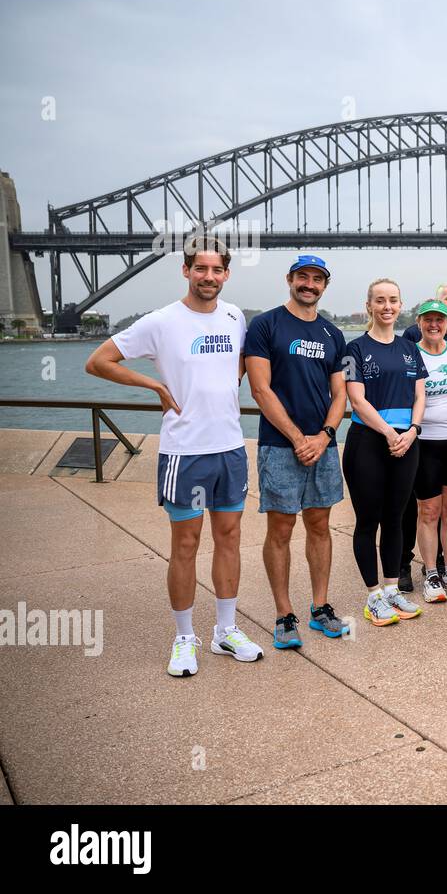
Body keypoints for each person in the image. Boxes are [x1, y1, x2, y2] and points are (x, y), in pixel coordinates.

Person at [85, 235, 260, 676]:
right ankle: (184, 638)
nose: (209, 277)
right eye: (200, 269)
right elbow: (99, 361)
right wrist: (156, 387)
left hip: (230, 448)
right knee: (185, 544)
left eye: (217, 269)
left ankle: (225, 631)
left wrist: (223, 387)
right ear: (185, 271)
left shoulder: (235, 316)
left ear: (226, 274)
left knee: (230, 538)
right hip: (186, 452)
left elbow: (240, 362)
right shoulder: (162, 321)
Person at [244, 254, 350, 648]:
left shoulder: (332, 334)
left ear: (325, 285)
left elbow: (339, 393)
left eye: (317, 278)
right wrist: (296, 437)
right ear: (289, 279)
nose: (309, 284)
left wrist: (323, 435)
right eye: (302, 277)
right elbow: (260, 389)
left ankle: (320, 607)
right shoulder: (265, 324)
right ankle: (284, 614)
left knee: (320, 525)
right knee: (281, 529)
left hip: (321, 445)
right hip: (279, 445)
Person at [341, 278, 427, 626]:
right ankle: (373, 596)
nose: (387, 306)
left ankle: (392, 589)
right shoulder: (354, 349)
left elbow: (420, 395)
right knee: (368, 520)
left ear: (400, 304)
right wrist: (390, 433)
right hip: (369, 443)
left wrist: (413, 431)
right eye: (380, 300)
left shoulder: (411, 348)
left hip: (407, 442)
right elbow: (357, 400)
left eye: (393, 300)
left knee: (396, 519)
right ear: (369, 306)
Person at [400, 282, 447, 588]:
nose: (434, 324)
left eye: (439, 320)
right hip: (424, 442)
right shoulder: (409, 353)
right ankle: (430, 572)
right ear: (419, 324)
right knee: (428, 509)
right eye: (428, 319)